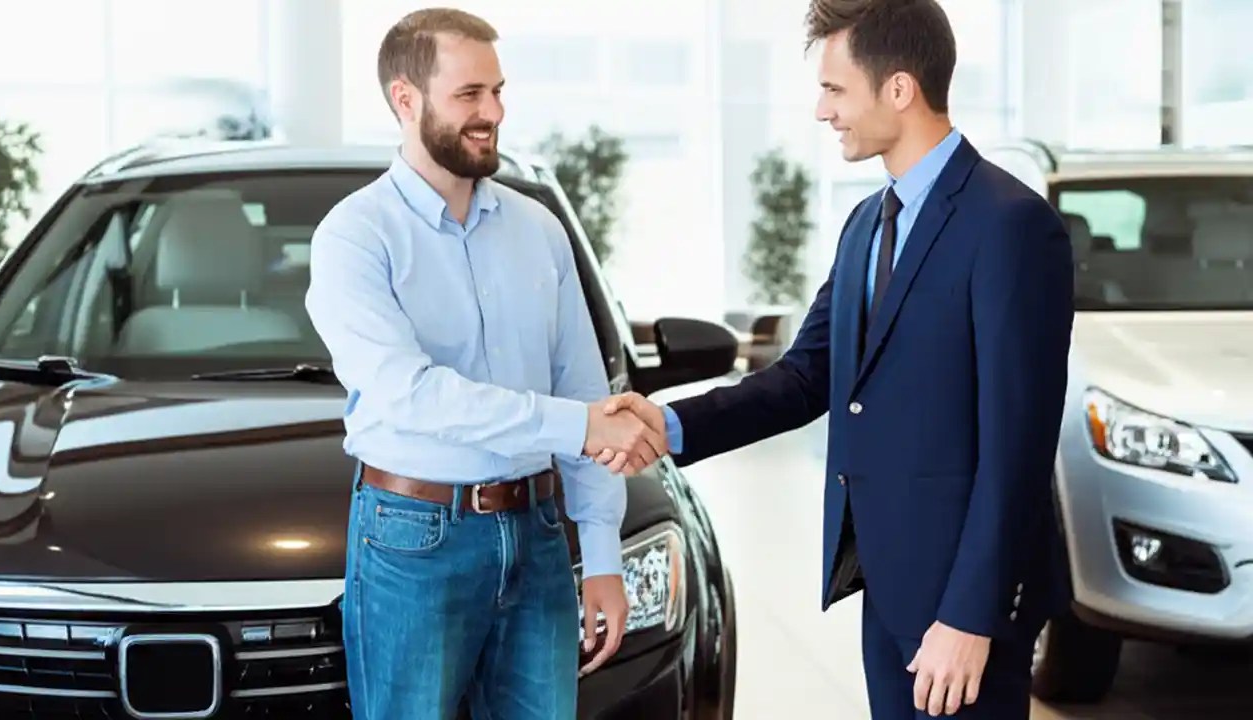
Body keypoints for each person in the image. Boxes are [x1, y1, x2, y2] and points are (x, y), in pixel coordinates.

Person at [601, 0, 1075, 717]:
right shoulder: (865, 224)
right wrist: (667, 425)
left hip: (962, 602)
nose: (823, 112)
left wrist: (972, 614)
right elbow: (806, 376)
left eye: (834, 89)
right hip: (886, 583)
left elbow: (1020, 445)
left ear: (899, 89)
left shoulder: (1009, 226)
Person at [304, 9, 666, 719]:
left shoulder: (539, 230)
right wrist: (581, 425)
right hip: (415, 541)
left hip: (537, 534)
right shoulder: (354, 237)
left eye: (498, 91)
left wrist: (600, 555)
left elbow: (584, 388)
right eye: (470, 94)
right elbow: (412, 396)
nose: (493, 112)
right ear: (405, 100)